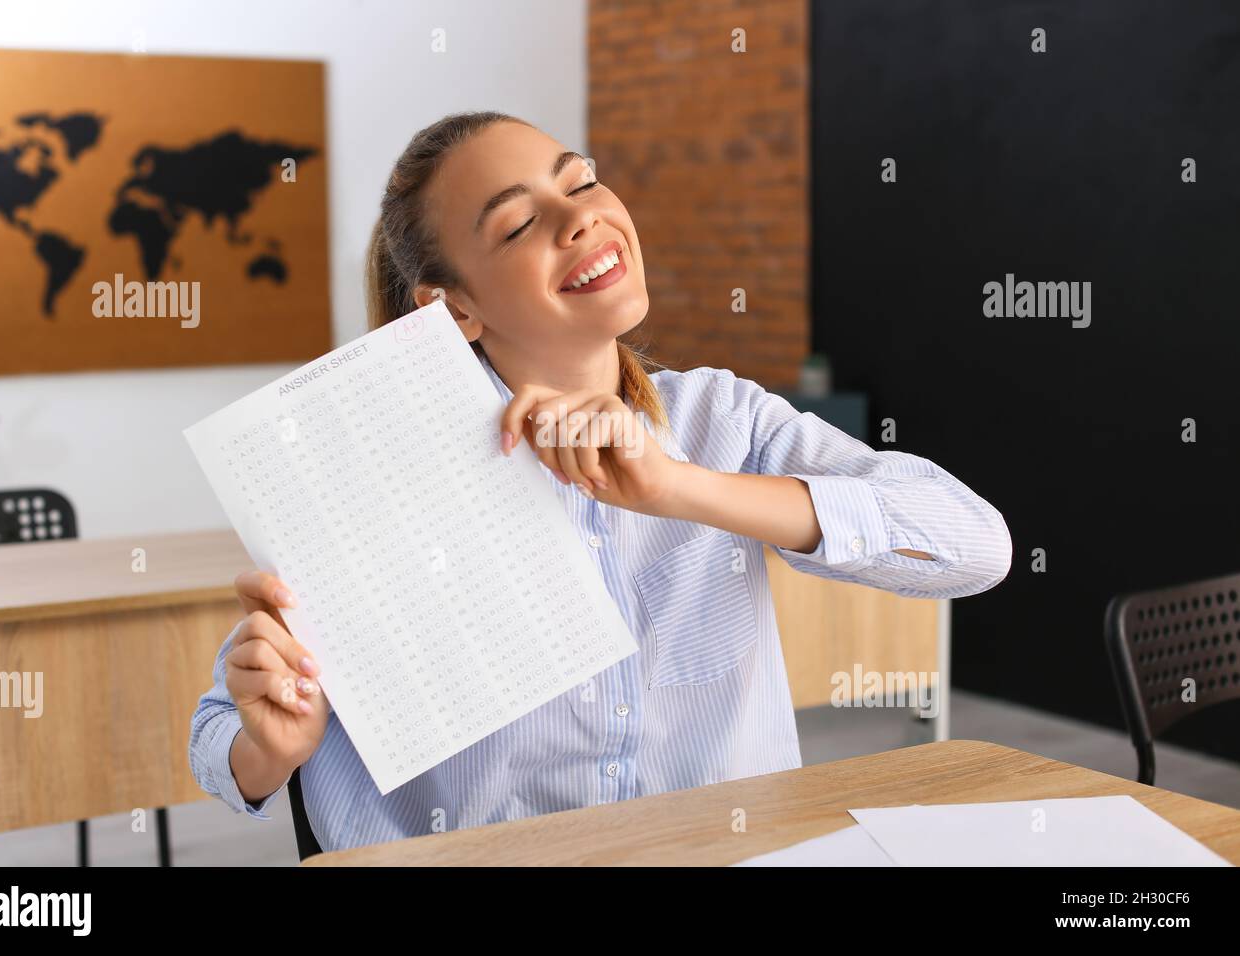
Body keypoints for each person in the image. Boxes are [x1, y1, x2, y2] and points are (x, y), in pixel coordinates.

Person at [189, 111, 1012, 853]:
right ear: (454, 309)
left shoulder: (722, 420)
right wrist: (272, 749)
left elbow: (977, 546)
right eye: (519, 224)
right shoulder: (380, 479)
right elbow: (221, 731)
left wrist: (675, 488)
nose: (581, 215)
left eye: (581, 180)